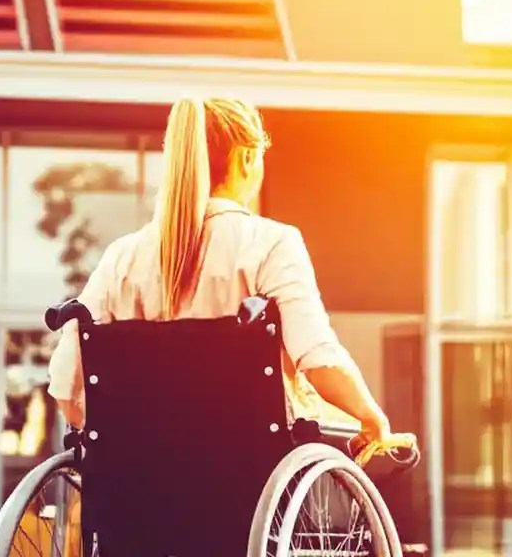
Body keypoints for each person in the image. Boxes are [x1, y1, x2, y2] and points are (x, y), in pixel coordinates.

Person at [47, 96, 392, 451]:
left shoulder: (122, 258)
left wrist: (127, 439)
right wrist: (370, 417)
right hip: (247, 473)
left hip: (140, 484)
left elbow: (66, 387)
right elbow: (317, 359)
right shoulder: (271, 244)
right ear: (246, 158)